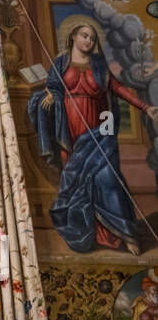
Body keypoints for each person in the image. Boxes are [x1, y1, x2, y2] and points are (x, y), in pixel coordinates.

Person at [28, 22, 158, 255]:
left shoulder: (98, 64)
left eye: (92, 38)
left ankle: (124, 233)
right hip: (69, 130)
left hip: (99, 127)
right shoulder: (61, 62)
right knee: (78, 184)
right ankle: (88, 234)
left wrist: (144, 106)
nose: (88, 41)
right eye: (84, 36)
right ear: (73, 37)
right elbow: (53, 87)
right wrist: (49, 94)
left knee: (108, 178)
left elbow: (116, 87)